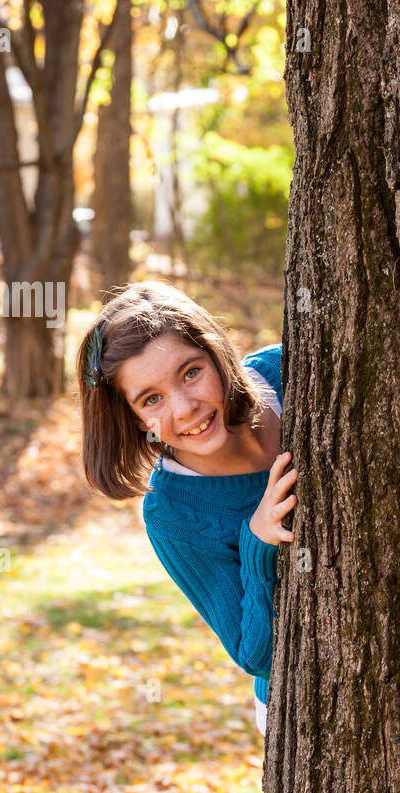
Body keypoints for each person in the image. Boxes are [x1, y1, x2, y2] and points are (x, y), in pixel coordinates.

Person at [76, 281, 296, 737]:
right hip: (304, 706)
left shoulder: (284, 372)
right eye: (151, 399)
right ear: (136, 419)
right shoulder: (174, 513)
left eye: (191, 372)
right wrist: (256, 540)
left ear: (216, 354)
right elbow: (255, 654)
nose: (185, 408)